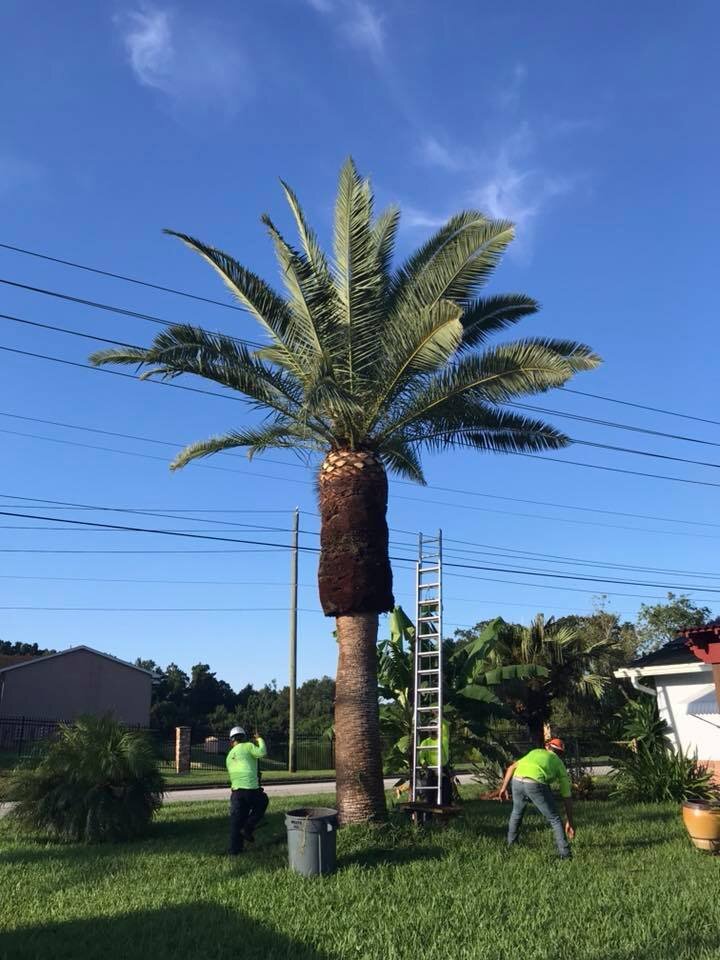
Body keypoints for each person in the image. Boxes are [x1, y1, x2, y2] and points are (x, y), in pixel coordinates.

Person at [498, 737, 575, 860]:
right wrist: (570, 822)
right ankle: (566, 855)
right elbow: (567, 796)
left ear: (547, 747)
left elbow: (512, 767)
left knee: (517, 813)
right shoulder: (559, 763)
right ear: (561, 753)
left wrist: (503, 788)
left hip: (517, 780)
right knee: (555, 819)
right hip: (535, 783)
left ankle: (511, 846)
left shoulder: (535, 752)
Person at [226, 725, 269, 856]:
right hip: (251, 789)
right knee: (262, 802)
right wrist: (259, 738)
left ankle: (235, 850)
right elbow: (262, 752)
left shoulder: (229, 756)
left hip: (236, 792)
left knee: (236, 820)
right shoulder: (248, 746)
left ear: (231, 741)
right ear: (243, 737)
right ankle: (248, 827)